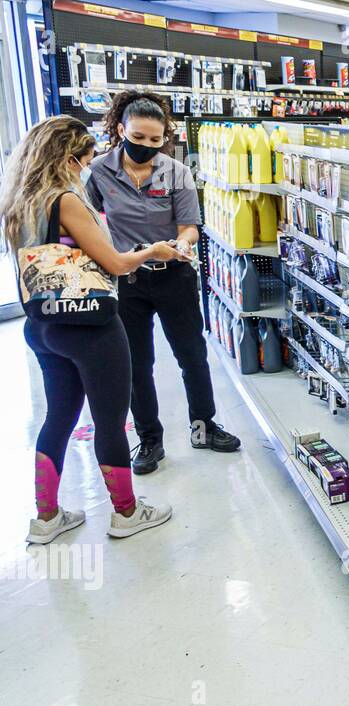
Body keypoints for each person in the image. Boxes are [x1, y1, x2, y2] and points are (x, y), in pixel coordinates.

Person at [0, 116, 181, 542]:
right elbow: (115, 263)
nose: (87, 168)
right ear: (67, 157)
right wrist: (153, 251)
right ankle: (126, 512)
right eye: (84, 160)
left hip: (43, 327)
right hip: (91, 327)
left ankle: (45, 519)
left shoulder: (19, 202)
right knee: (110, 419)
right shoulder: (65, 200)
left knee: (58, 417)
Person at [87, 91, 240, 475]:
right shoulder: (99, 172)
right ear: (121, 129)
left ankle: (203, 427)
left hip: (174, 275)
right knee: (137, 364)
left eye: (155, 140)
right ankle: (150, 440)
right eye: (138, 138)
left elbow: (189, 225)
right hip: (126, 279)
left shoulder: (176, 171)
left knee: (192, 354)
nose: (146, 147)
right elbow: (85, 220)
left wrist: (181, 245)